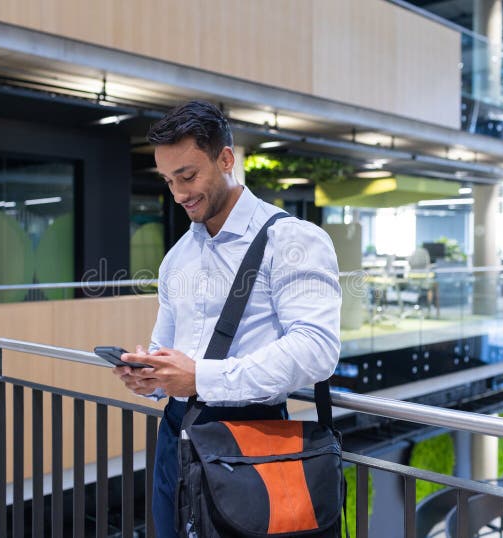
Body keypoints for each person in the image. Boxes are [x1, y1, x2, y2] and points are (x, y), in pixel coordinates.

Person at [112, 100, 342, 538]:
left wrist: (200, 377)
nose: (179, 193)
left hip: (250, 440)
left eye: (188, 175)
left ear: (226, 158)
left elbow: (317, 350)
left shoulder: (291, 239)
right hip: (174, 435)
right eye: (168, 180)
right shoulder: (177, 257)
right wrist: (151, 375)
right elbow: (169, 350)